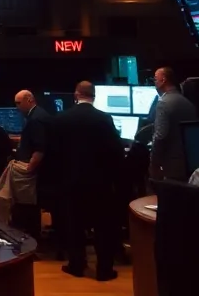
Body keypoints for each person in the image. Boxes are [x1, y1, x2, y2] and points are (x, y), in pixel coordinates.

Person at [46, 81, 122, 281]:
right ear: (94, 96)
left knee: (74, 226)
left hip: (71, 183)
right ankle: (104, 270)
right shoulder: (104, 119)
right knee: (103, 227)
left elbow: (53, 154)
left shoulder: (61, 119)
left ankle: (76, 265)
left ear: (76, 95)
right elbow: (116, 152)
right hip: (100, 184)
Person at [11, 90, 49, 239]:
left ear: (29, 100)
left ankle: (28, 239)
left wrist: (27, 170)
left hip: (33, 173)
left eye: (18, 103)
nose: (17, 107)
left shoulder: (35, 119)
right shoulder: (39, 114)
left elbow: (40, 150)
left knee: (26, 204)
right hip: (37, 171)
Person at [150, 67, 197, 181]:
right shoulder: (187, 102)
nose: (154, 81)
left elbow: (160, 136)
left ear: (164, 79)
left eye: (156, 78)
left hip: (170, 167)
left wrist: (153, 163)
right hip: (189, 164)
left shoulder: (163, 103)